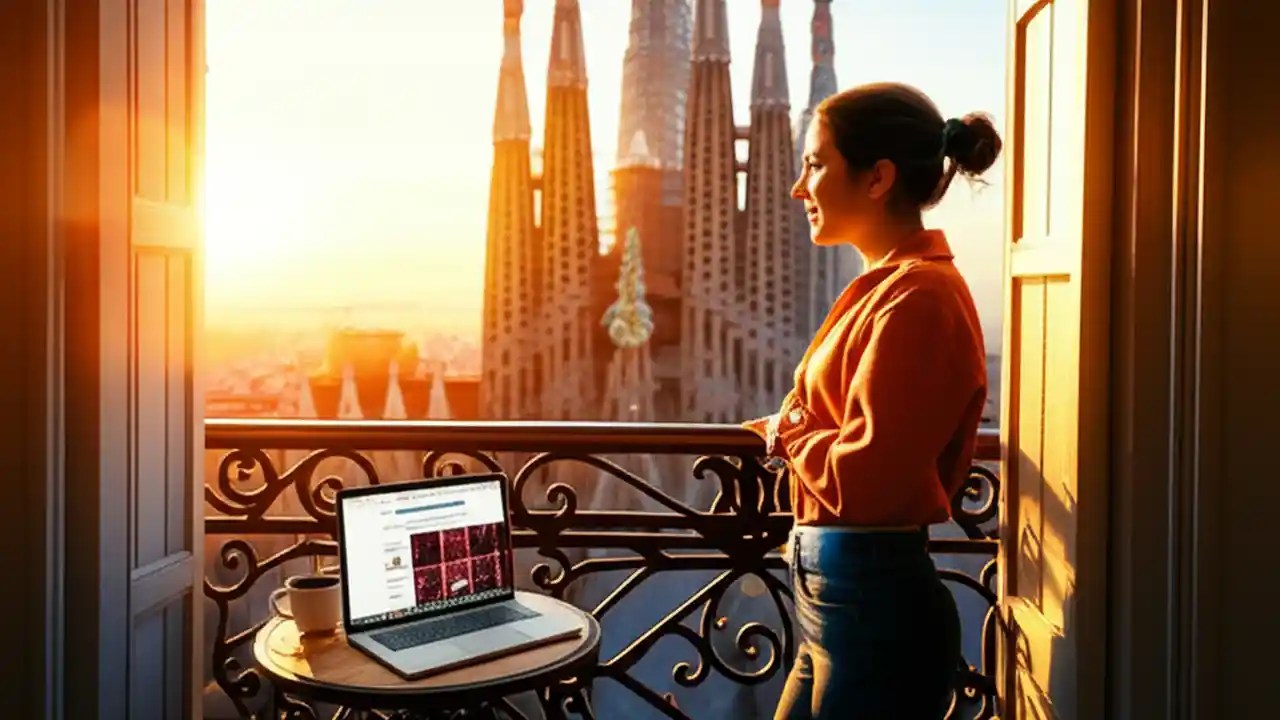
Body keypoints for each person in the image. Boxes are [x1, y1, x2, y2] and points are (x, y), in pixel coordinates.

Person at [743, 82, 1001, 719]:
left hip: (875, 609)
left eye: (815, 163)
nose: (799, 188)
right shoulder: (887, 287)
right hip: (835, 605)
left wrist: (788, 431)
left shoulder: (921, 299)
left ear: (878, 177)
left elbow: (868, 480)